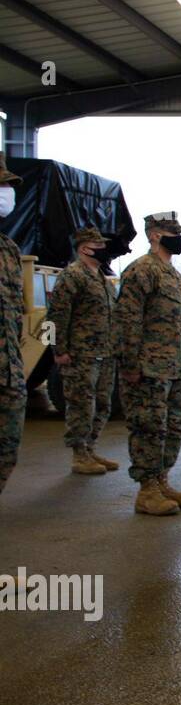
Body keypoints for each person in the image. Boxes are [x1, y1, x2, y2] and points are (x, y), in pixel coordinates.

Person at [114, 211, 181, 515]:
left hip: (176, 367)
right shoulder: (141, 271)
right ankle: (147, 490)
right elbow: (126, 320)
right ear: (153, 234)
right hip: (148, 367)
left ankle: (162, 481)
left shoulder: (175, 276)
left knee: (174, 426)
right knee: (149, 427)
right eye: (171, 232)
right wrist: (130, 364)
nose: (178, 239)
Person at [46, 225, 118, 475]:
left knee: (102, 404)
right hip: (79, 355)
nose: (103, 250)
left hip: (105, 352)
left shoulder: (102, 278)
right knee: (81, 405)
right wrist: (57, 350)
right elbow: (54, 317)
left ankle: (90, 448)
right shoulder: (72, 275)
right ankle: (79, 454)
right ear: (84, 248)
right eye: (99, 246)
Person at [0, 154, 24, 497]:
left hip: (8, 370)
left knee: (7, 448)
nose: (6, 193)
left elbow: (17, 310)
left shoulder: (9, 249)